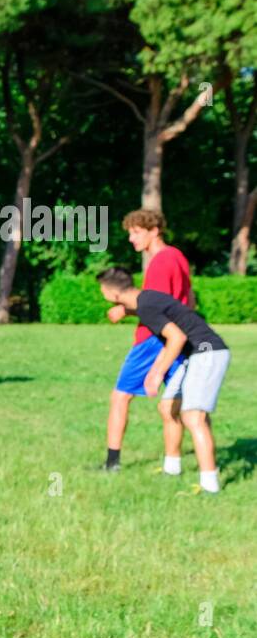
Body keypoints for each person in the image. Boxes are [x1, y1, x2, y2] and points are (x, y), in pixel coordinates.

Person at [96, 267, 230, 494]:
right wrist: (126, 312)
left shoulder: (146, 305)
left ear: (113, 293)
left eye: (102, 290)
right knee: (167, 407)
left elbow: (177, 337)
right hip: (197, 354)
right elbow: (162, 313)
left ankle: (210, 485)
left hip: (208, 352)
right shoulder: (146, 299)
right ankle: (172, 469)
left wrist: (156, 372)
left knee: (193, 416)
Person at [103, 210, 191, 473]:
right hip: (179, 337)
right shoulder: (178, 257)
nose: (131, 238)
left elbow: (155, 307)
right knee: (174, 405)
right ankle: (172, 466)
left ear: (154, 231)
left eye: (136, 232)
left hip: (153, 339)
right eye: (130, 232)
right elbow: (189, 299)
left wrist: (125, 310)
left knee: (120, 397)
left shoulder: (161, 262)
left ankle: (112, 464)